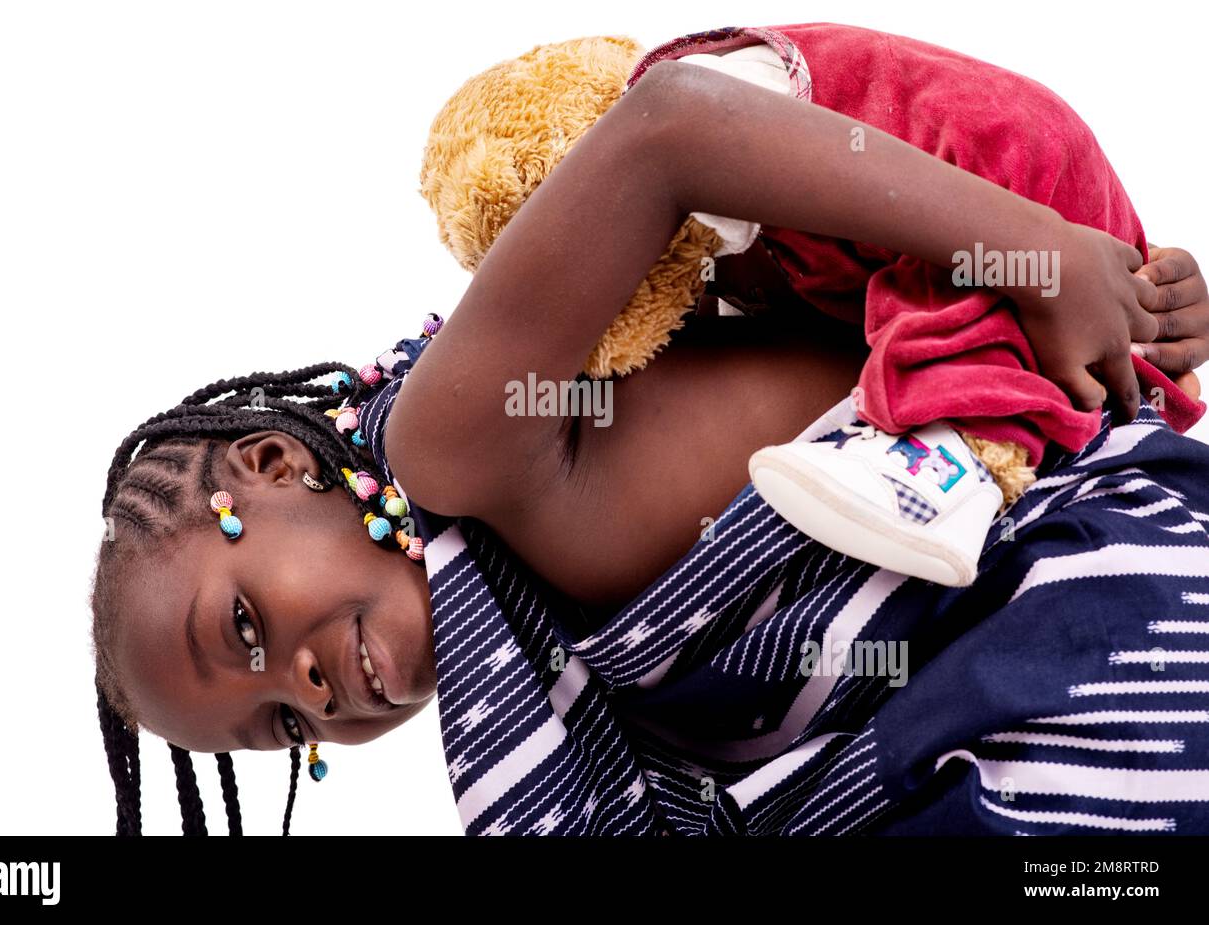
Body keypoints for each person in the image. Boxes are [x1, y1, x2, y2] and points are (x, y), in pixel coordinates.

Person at [90, 54, 1209, 834]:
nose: (311, 694)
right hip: (1038, 614)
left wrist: (1031, 249)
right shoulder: (563, 669)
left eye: (243, 625)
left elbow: (674, 127)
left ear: (276, 468)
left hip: (1081, 621)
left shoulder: (454, 439)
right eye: (282, 725)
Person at [418, 23, 1208, 586]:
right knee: (939, 315)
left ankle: (947, 469)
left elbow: (677, 123)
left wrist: (1047, 255)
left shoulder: (707, 118)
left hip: (1004, 162)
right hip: (1007, 228)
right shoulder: (714, 278)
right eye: (290, 727)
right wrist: (1136, 299)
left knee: (941, 330)